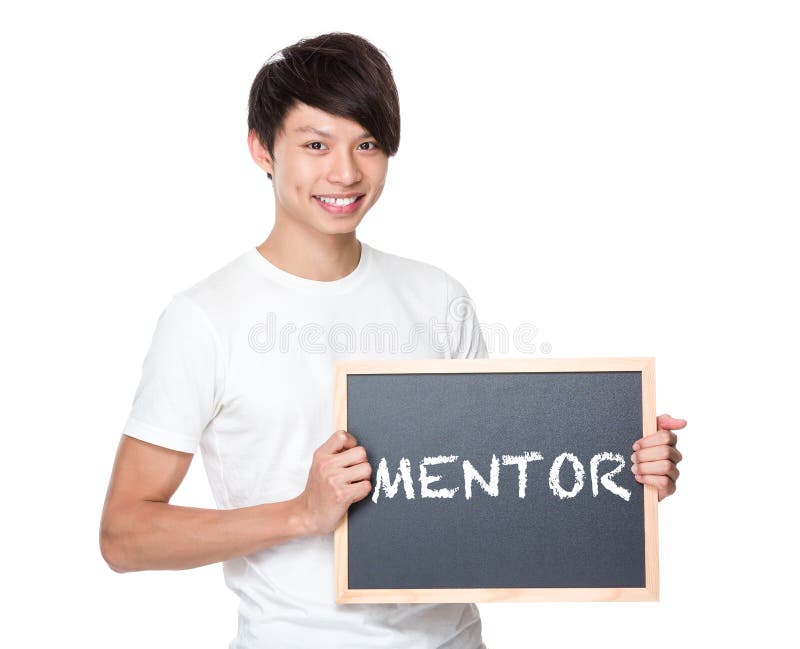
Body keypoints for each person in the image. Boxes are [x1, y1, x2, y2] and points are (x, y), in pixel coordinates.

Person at [99, 32, 686, 648]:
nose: (345, 172)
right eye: (316, 144)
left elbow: (489, 486)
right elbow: (124, 535)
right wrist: (302, 513)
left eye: (367, 144)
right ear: (261, 149)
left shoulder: (437, 297)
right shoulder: (204, 319)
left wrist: (616, 476)